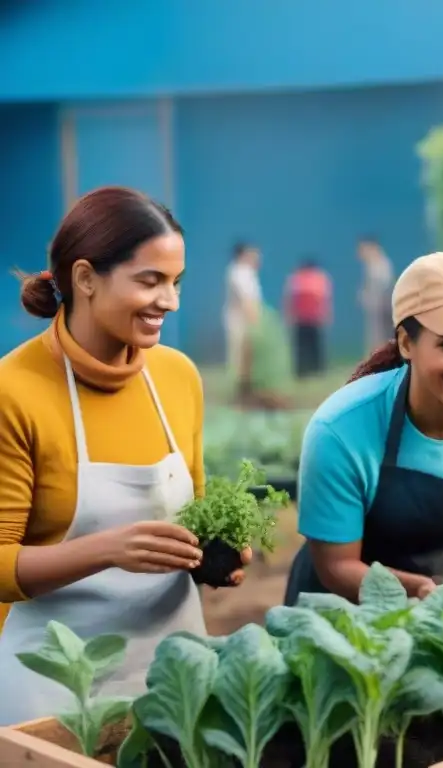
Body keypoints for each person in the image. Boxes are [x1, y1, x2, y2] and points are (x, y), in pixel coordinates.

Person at [0, 187, 251, 726]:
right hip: (55, 688)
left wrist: (215, 556)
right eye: (150, 281)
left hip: (175, 673)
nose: (171, 301)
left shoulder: (177, 376)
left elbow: (194, 510)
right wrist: (108, 549)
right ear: (86, 278)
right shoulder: (13, 392)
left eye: (176, 282)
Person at [284, 252, 443, 604]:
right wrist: (421, 592)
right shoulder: (340, 429)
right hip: (342, 617)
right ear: (407, 343)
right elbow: (337, 566)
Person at [284, 257, 332, 378]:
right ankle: (306, 370)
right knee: (305, 346)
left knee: (312, 346)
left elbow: (324, 300)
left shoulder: (314, 279)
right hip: (304, 318)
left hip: (311, 318)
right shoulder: (298, 280)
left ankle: (313, 370)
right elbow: (290, 300)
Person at [223, 241, 263, 378]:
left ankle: (246, 379)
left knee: (249, 352)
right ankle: (237, 380)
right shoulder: (237, 272)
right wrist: (252, 316)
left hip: (248, 316)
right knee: (238, 352)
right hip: (238, 317)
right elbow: (245, 299)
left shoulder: (248, 272)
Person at [357, 236, 393, 355]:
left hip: (381, 306)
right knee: (374, 336)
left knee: (379, 336)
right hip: (375, 306)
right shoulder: (371, 264)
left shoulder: (380, 263)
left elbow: (382, 285)